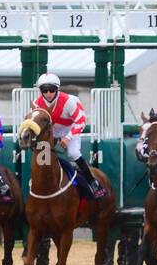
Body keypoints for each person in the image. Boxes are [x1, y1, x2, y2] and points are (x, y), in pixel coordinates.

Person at [32, 72, 107, 200]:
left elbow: (81, 121)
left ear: (57, 89)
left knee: (73, 153)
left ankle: (92, 182)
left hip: (70, 130)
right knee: (41, 156)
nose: (48, 93)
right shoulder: (36, 104)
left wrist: (67, 138)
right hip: (52, 132)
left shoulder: (68, 101)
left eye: (52, 89)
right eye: (45, 90)